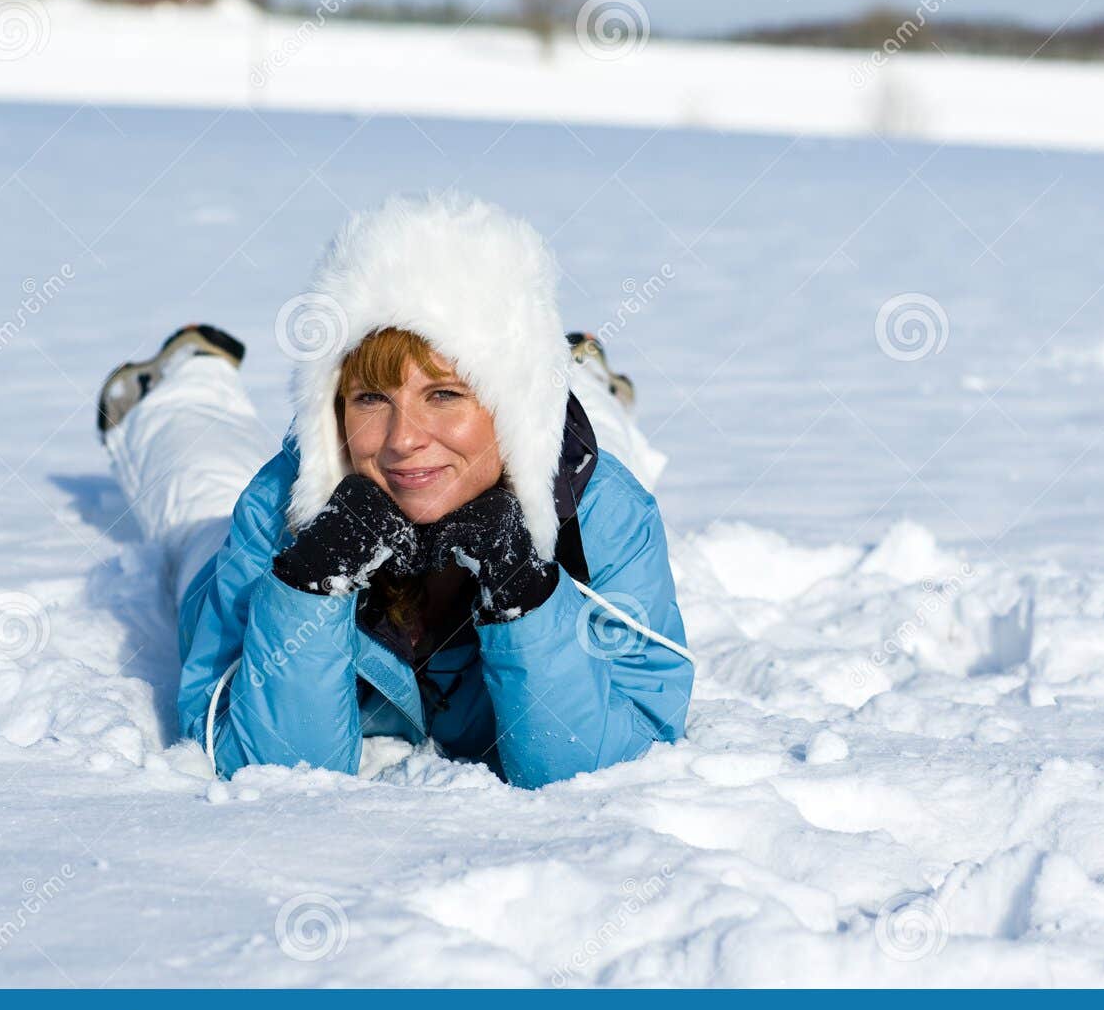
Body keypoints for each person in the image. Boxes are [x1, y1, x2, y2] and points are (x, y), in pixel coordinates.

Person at [97, 191, 694, 787]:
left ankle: (581, 371)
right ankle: (185, 382)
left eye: (444, 395)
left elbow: (612, 770)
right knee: (197, 494)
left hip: (546, 456)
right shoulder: (278, 507)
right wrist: (309, 583)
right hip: (285, 531)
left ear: (514, 409)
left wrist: (525, 595)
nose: (402, 439)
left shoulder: (608, 516)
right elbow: (262, 770)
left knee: (583, 437)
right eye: (371, 398)